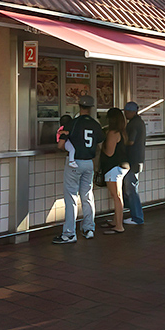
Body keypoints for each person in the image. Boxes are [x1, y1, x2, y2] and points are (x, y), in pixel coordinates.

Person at [54, 95, 105, 244]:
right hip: (89, 162)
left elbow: (60, 145)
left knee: (71, 198)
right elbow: (100, 143)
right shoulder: (96, 124)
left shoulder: (73, 123)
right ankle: (89, 228)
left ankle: (69, 233)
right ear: (91, 108)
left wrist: (69, 150)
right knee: (87, 196)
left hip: (74, 163)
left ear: (79, 106)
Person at [100, 108, 131, 235]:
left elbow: (109, 152)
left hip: (113, 167)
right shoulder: (123, 132)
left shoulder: (112, 133)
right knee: (117, 196)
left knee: (117, 196)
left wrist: (101, 147)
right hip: (123, 166)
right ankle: (115, 221)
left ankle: (119, 225)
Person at [123, 102, 145, 226]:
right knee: (131, 188)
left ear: (132, 112)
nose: (125, 114)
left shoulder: (134, 124)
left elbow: (130, 141)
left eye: (126, 111)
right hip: (137, 160)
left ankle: (137, 217)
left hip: (132, 161)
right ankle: (134, 213)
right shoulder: (139, 122)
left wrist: (119, 140)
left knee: (131, 189)